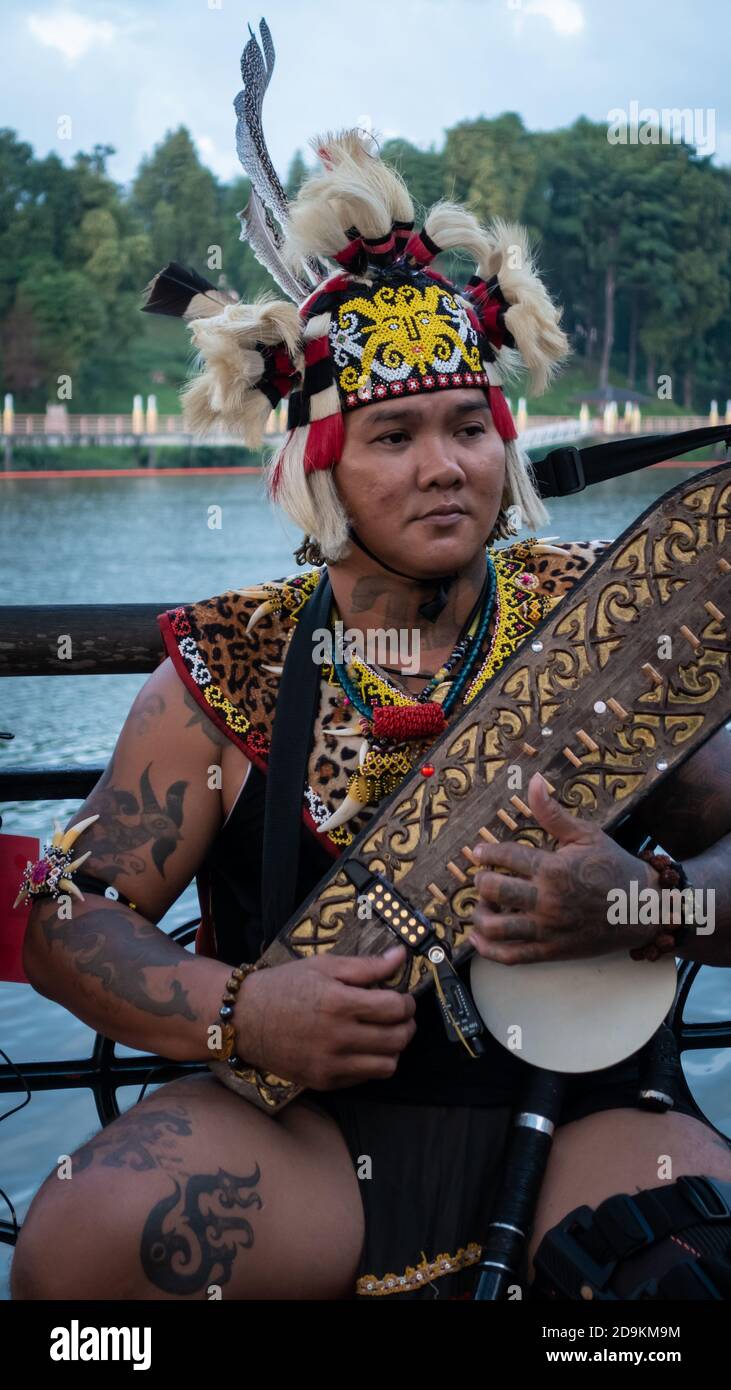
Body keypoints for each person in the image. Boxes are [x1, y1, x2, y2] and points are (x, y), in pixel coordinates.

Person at [10, 116, 731, 1302]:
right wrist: (245, 1013)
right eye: (392, 435)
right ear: (320, 466)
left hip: (582, 1120)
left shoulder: (607, 622)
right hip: (303, 1139)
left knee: (678, 1287)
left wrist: (643, 900)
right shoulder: (230, 658)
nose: (442, 467)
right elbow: (69, 917)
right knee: (80, 1257)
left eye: (466, 429)